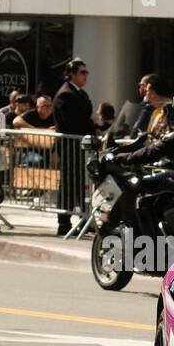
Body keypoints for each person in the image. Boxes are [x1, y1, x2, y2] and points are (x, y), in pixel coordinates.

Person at [52, 58, 95, 236]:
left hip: (81, 147)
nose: (86, 76)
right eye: (82, 72)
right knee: (69, 184)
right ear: (71, 74)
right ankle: (63, 222)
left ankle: (85, 219)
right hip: (72, 146)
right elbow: (74, 123)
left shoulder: (80, 93)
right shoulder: (65, 94)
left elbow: (86, 119)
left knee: (82, 183)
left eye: (87, 72)